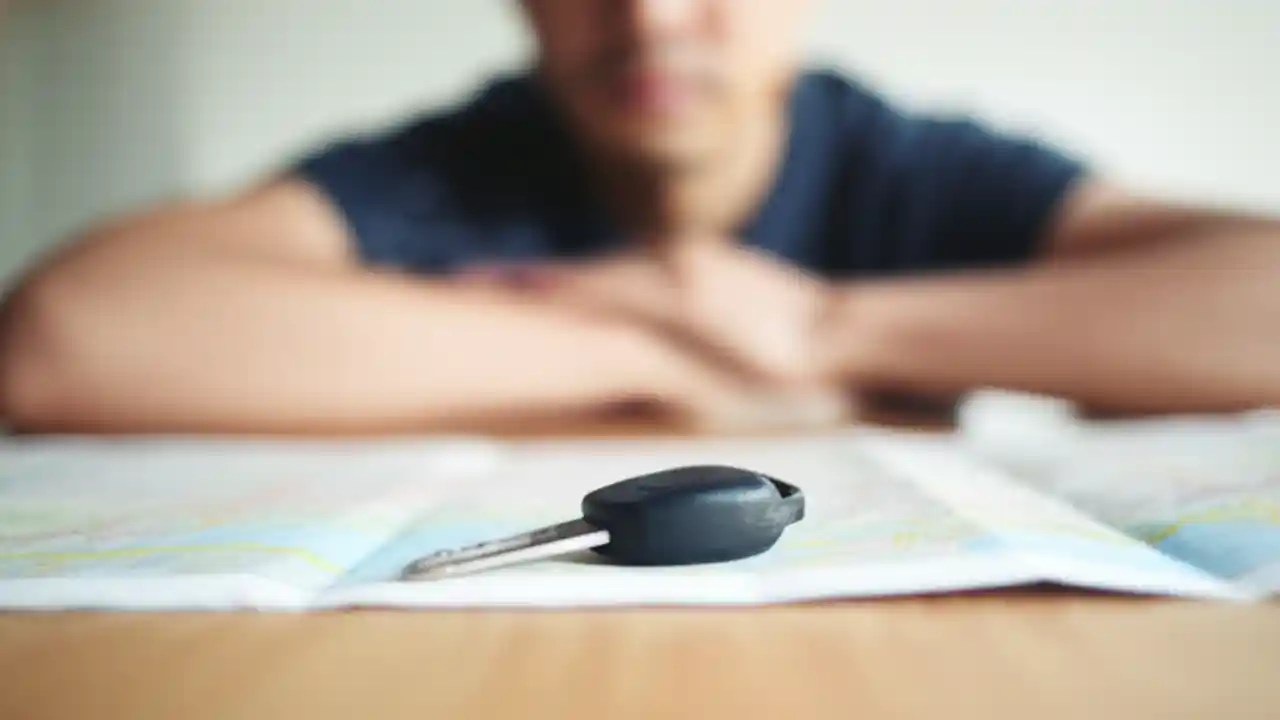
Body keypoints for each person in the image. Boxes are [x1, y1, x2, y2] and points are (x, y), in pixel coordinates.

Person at [1, 0, 1277, 434]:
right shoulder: (454, 168)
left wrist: (819, 328)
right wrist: (648, 346)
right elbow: (68, 337)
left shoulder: (906, 168)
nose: (651, 14)